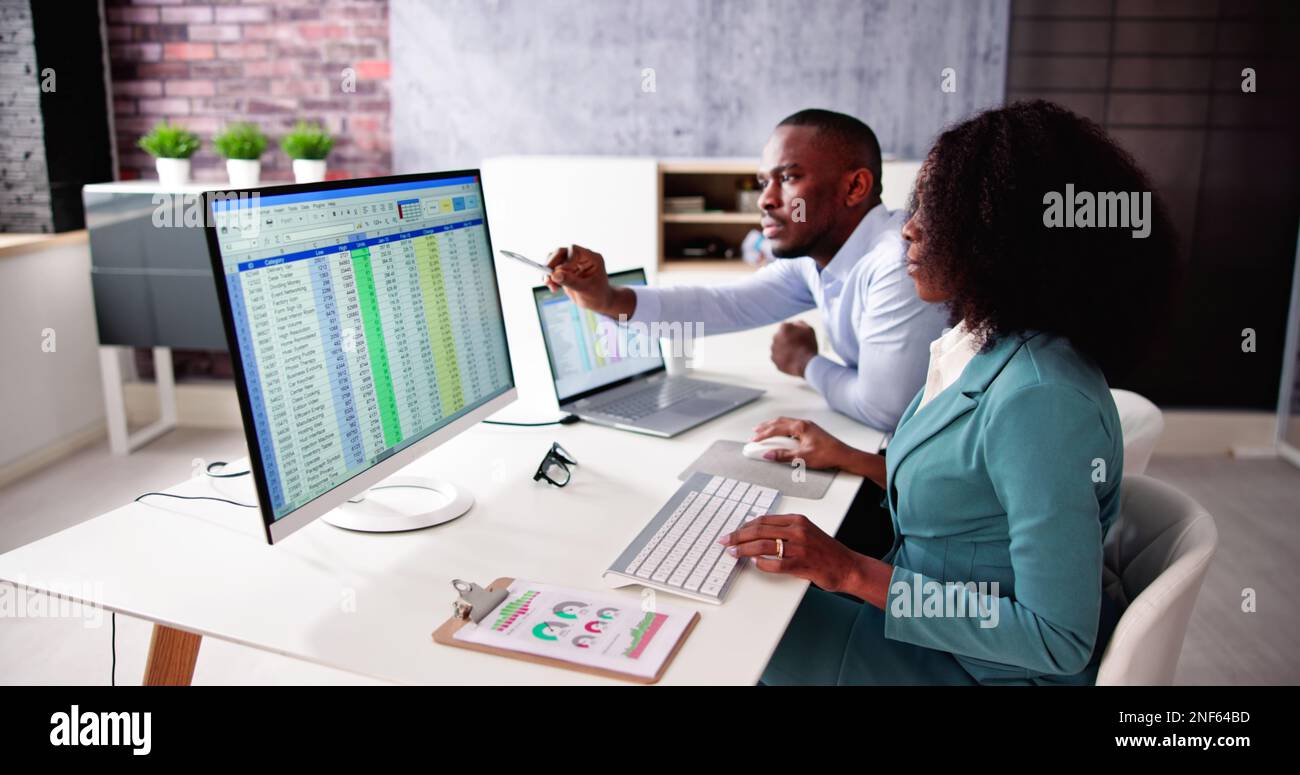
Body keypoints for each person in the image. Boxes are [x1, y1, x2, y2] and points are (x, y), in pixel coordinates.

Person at [720, 100, 1180, 685]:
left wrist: (851, 573)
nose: (910, 227)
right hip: (924, 625)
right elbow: (977, 499)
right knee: (742, 589)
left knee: (731, 626)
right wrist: (854, 459)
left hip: (975, 670)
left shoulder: (1040, 400)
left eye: (938, 210)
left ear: (1007, 235)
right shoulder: (986, 345)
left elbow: (1054, 639)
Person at [544, 108, 946, 432]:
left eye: (788, 178)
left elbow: (886, 410)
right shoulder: (816, 258)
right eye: (762, 182)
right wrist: (609, 299)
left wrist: (806, 362)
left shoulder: (898, 262)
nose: (765, 200)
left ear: (855, 187)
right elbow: (724, 305)